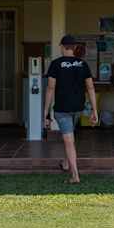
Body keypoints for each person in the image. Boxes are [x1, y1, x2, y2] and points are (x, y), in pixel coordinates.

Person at [43, 34, 99, 183]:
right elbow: (91, 88)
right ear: (74, 48)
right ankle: (67, 163)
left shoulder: (56, 64)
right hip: (78, 108)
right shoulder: (83, 64)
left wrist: (45, 113)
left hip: (62, 109)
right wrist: (94, 110)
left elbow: (50, 88)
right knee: (69, 138)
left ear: (61, 47)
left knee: (69, 141)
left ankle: (75, 175)